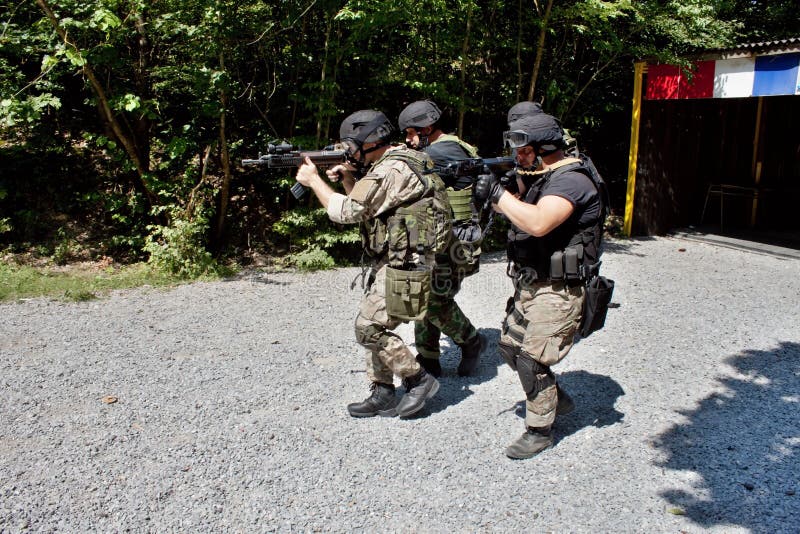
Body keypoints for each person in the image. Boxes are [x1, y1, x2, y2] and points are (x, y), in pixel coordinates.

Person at [294, 109, 446, 419]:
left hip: (406, 263)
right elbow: (370, 210)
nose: (347, 152)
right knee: (371, 319)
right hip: (395, 258)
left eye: (349, 146)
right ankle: (382, 391)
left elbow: (347, 212)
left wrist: (314, 182)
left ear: (370, 141)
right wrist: (349, 178)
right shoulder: (395, 162)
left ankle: (418, 379)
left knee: (369, 327)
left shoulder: (391, 170)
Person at [474, 111, 604, 459]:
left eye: (524, 150)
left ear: (544, 148)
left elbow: (539, 222)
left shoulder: (571, 180)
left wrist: (498, 195)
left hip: (560, 290)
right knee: (508, 348)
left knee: (532, 359)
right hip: (530, 283)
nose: (518, 157)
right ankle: (555, 399)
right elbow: (517, 209)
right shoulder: (539, 176)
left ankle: (539, 431)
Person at [397, 99, 486, 377]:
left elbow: (403, 174)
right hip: (438, 238)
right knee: (426, 294)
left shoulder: (444, 149)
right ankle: (429, 358)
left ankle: (471, 341)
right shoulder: (438, 149)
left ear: (427, 128)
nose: (409, 141)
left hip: (457, 241)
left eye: (411, 134)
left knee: (434, 299)